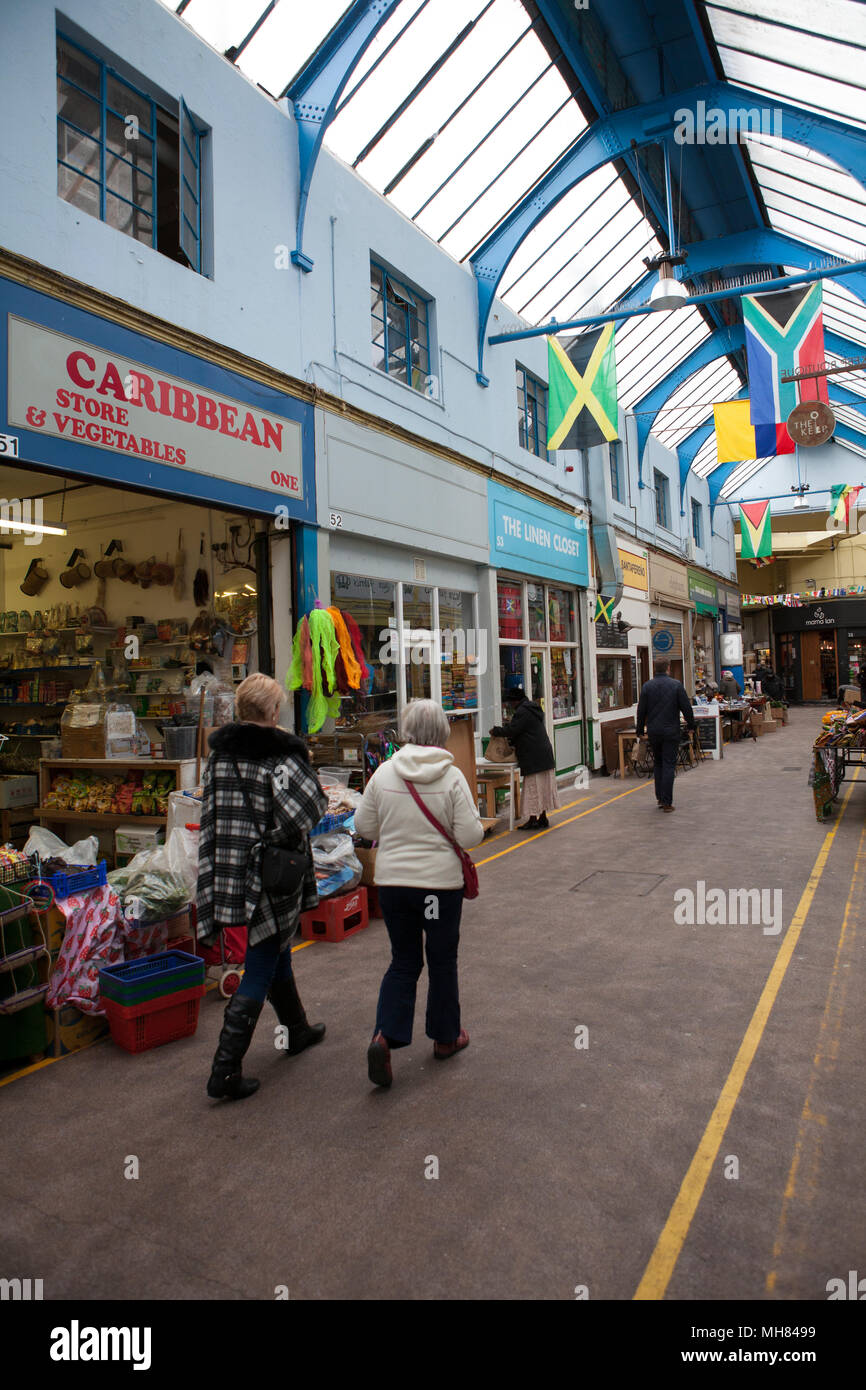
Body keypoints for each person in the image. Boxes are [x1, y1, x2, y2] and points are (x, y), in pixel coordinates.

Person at [197, 673, 328, 1101]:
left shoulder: (219, 757)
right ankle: (225, 1071)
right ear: (272, 712)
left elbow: (213, 816)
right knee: (260, 966)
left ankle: (297, 1029)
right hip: (271, 874)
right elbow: (308, 810)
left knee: (274, 946)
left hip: (233, 869)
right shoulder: (280, 758)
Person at [354, 698, 484, 1089]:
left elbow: (364, 826)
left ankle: (384, 1036)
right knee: (441, 959)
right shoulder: (451, 776)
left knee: (404, 961)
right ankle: (446, 1038)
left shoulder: (384, 773)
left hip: (394, 887)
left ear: (407, 731)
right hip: (438, 890)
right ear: (442, 731)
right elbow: (471, 835)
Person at [490, 687, 557, 830]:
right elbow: (524, 731)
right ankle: (543, 818)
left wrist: (496, 731)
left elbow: (513, 730)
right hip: (543, 754)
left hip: (534, 756)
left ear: (516, 701)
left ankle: (533, 820)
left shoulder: (523, 711)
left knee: (533, 788)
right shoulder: (532, 708)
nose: (509, 705)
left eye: (510, 702)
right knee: (543, 787)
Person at [636, 656, 696, 813]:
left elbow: (641, 710)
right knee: (669, 764)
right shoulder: (676, 685)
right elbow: (686, 708)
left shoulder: (647, 686)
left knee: (658, 763)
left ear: (655, 668)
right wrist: (691, 726)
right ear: (668, 668)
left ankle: (660, 798)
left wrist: (639, 730)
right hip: (671, 731)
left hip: (654, 732)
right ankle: (667, 802)